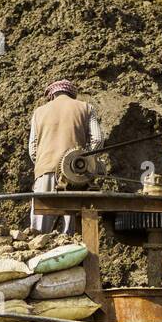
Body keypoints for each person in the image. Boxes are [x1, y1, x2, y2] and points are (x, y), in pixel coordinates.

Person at [29, 79, 103, 235]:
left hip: (45, 171)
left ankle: (37, 251)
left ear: (53, 95)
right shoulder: (86, 108)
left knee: (39, 229)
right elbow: (97, 139)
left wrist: (44, 163)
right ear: (72, 94)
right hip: (75, 173)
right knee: (72, 231)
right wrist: (83, 160)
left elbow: (33, 148)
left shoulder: (39, 112)